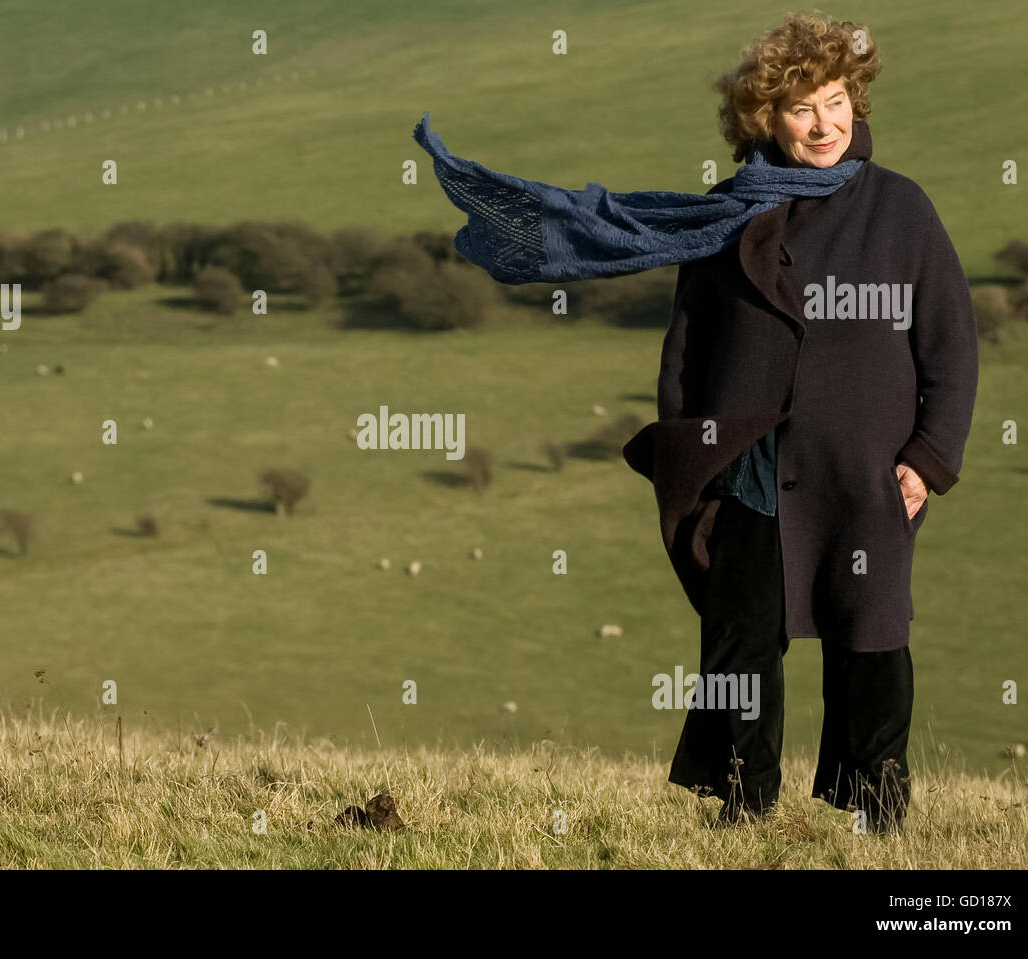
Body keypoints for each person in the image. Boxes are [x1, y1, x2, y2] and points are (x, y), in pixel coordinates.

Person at [414, 13, 977, 835]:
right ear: (764, 120)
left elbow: (952, 348)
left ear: (855, 100)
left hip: (867, 472)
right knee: (739, 645)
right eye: (799, 109)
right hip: (749, 466)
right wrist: (694, 466)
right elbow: (686, 353)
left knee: (872, 642)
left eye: (834, 101)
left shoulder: (901, 209)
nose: (822, 124)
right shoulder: (726, 214)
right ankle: (743, 802)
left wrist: (928, 460)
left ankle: (877, 812)